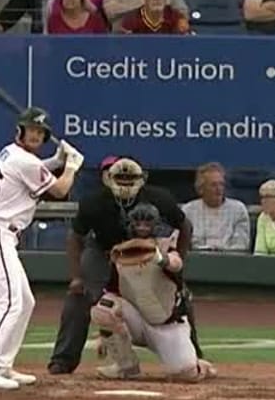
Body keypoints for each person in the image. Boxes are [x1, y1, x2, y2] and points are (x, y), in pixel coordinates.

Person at [0, 108, 84, 391]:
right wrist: (70, 167)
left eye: (40, 132)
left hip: (0, 235)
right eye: (31, 130)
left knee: (25, 301)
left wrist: (56, 159)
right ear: (20, 131)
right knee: (9, 303)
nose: (35, 135)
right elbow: (59, 190)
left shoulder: (10, 153)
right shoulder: (24, 161)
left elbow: (32, 169)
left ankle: (1, 365)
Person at [48, 156, 191, 376]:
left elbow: (185, 226)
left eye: (130, 178)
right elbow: (75, 237)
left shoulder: (159, 198)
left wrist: (177, 266)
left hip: (148, 253)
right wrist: (76, 277)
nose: (125, 183)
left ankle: (194, 354)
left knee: (179, 296)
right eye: (119, 178)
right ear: (107, 178)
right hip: (106, 251)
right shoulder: (94, 202)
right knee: (85, 298)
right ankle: (65, 360)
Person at [89, 203, 214, 381]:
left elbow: (176, 264)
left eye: (147, 224)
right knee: (104, 308)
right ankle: (127, 367)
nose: (142, 228)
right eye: (138, 223)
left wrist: (160, 258)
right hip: (138, 321)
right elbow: (112, 293)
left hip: (168, 325)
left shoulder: (165, 247)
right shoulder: (121, 252)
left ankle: (201, 366)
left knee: (185, 374)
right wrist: (105, 335)